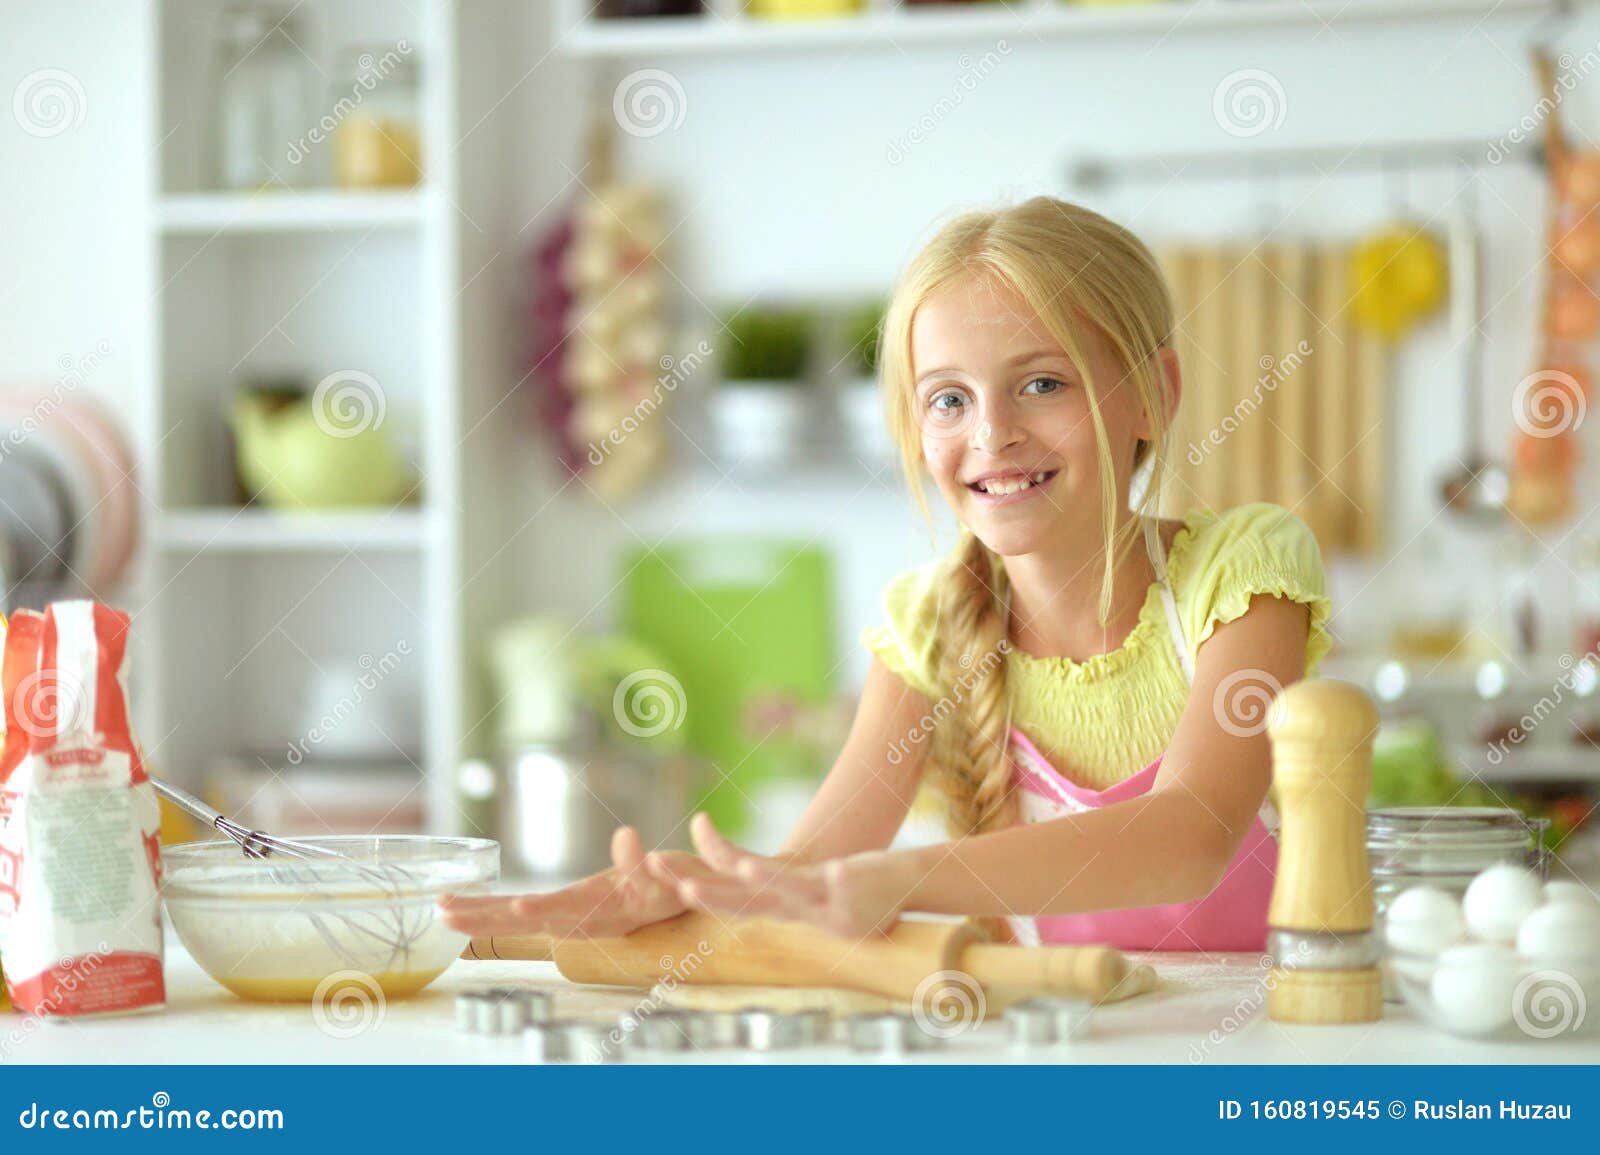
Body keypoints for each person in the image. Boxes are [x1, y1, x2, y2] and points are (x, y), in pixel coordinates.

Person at [443, 196, 1332, 951]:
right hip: (1066, 1041)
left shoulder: (1240, 572)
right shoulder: (929, 628)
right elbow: (813, 874)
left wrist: (899, 878)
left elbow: (1193, 831)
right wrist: (698, 895)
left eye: (1042, 383)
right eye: (949, 398)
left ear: (1153, 393)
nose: (991, 435)